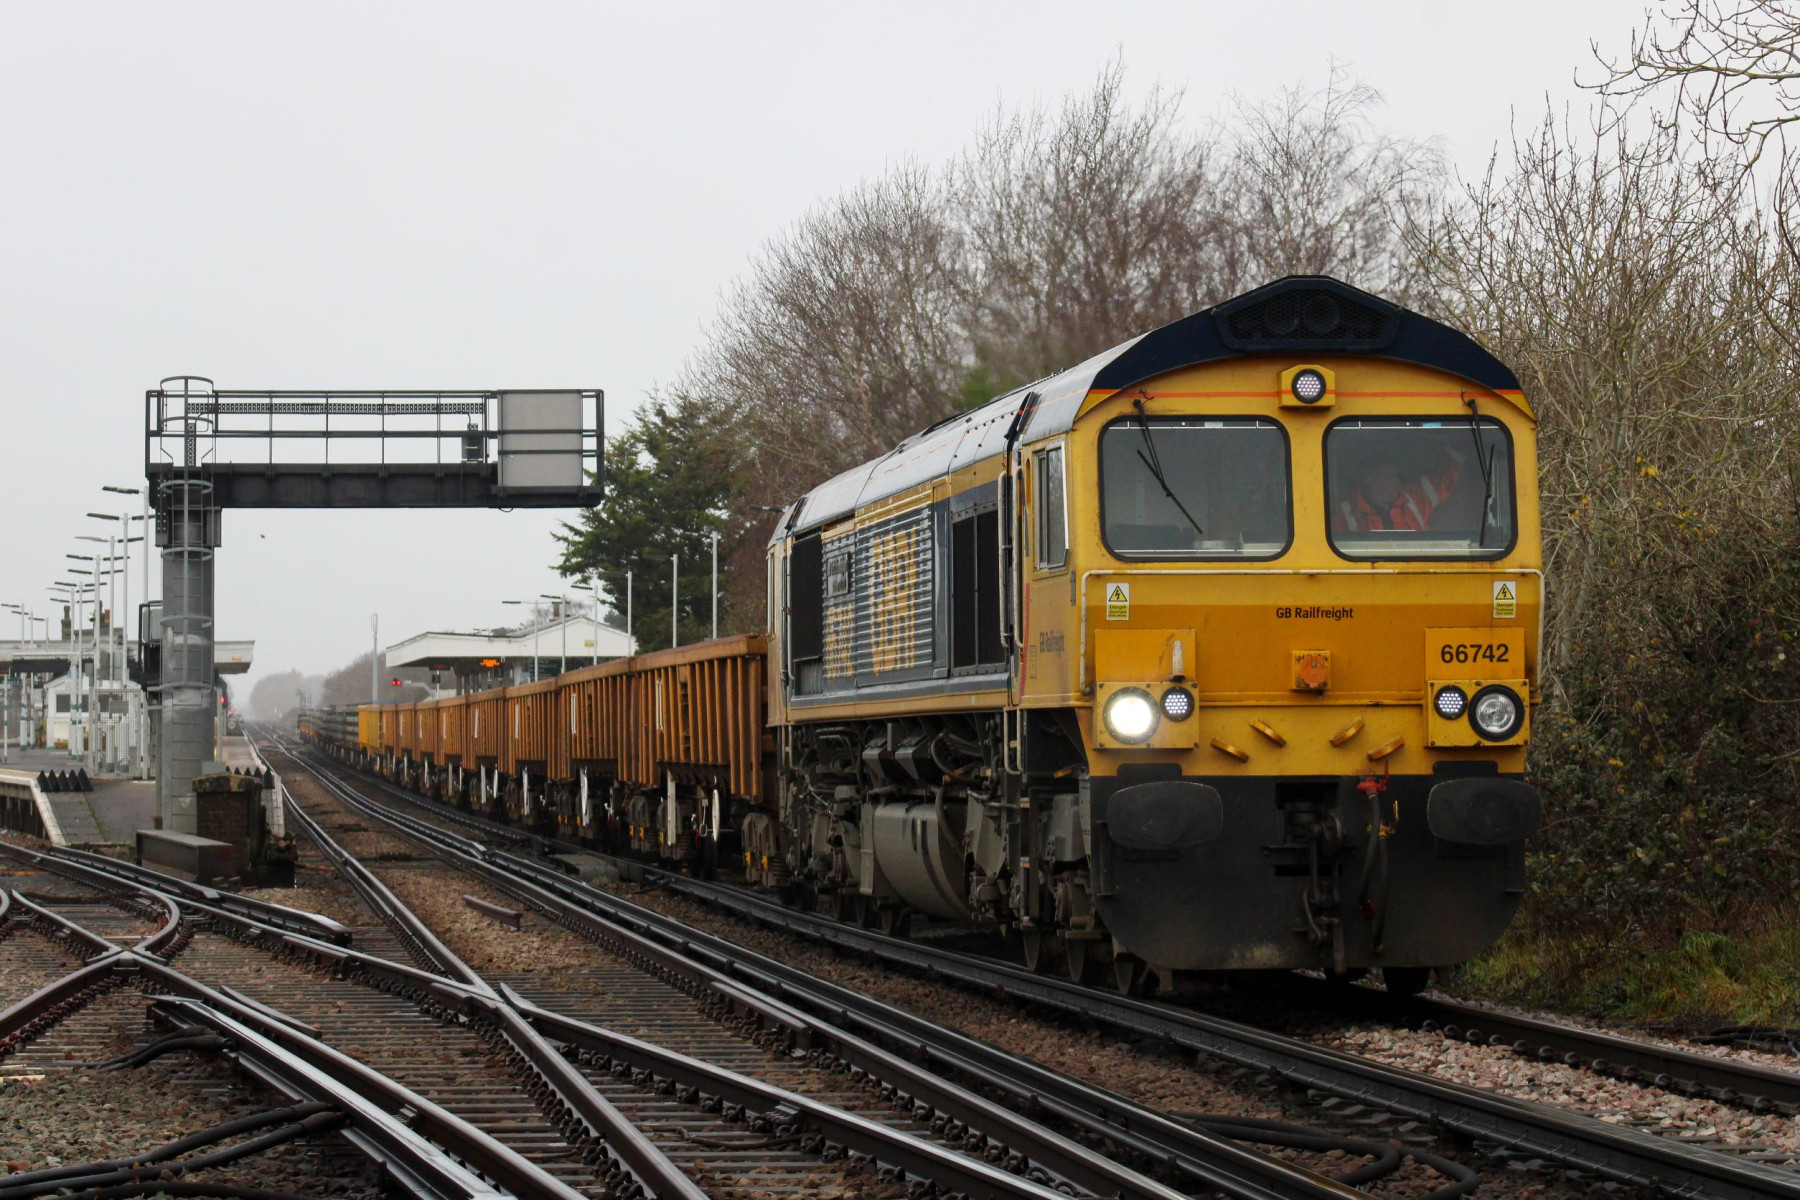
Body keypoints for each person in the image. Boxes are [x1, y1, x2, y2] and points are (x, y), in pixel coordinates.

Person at [1333, 447, 1464, 533]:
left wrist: (1459, 447)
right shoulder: (1343, 516)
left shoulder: (1412, 498)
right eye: (1391, 477)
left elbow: (1445, 478)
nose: (1398, 482)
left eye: (1398, 476)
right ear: (1371, 479)